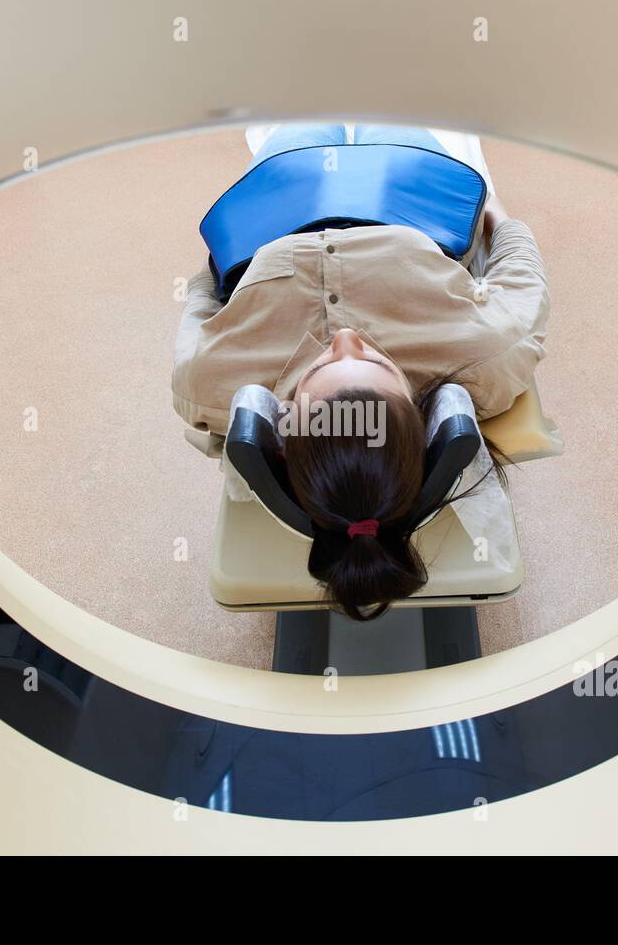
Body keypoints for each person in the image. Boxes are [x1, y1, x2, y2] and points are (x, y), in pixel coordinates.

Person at [173, 122, 551, 619]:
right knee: (392, 88)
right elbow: (522, 280)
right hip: (406, 184)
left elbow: (201, 299)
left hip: (284, 190)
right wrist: (497, 214)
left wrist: (224, 263)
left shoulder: (209, 380)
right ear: (422, 413)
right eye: (377, 360)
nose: (348, 341)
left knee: (303, 101)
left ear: (282, 423)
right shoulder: (481, 356)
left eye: (319, 365)